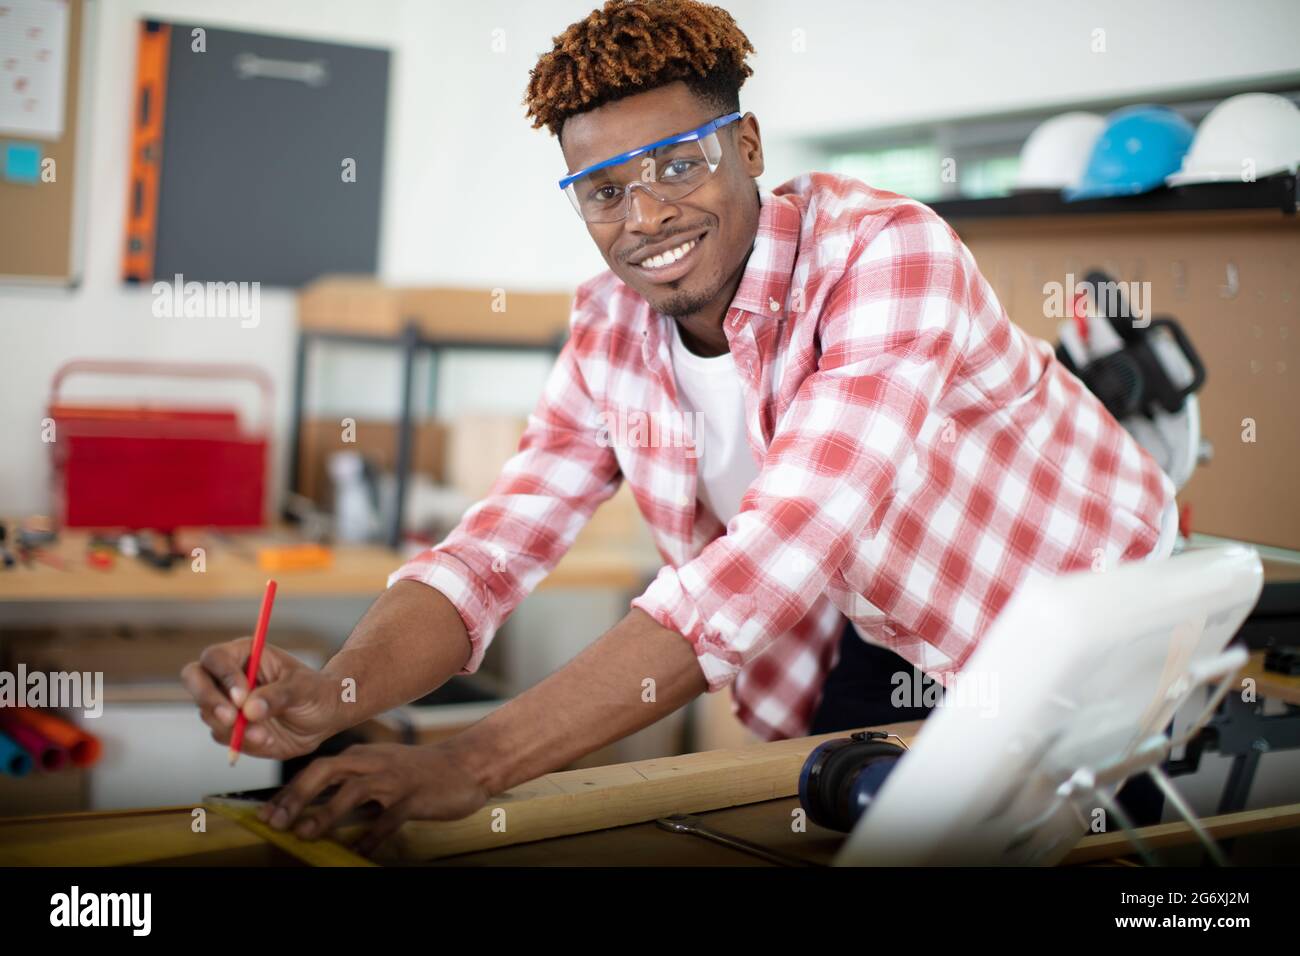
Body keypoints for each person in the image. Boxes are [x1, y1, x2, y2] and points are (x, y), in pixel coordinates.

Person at [182, 0, 1177, 853]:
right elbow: (492, 548)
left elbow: (779, 546)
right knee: (847, 834)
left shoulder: (886, 253)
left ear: (746, 146)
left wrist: (470, 760)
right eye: (605, 190)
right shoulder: (609, 327)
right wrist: (333, 693)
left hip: (1075, 612)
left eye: (675, 164)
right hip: (891, 621)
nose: (644, 215)